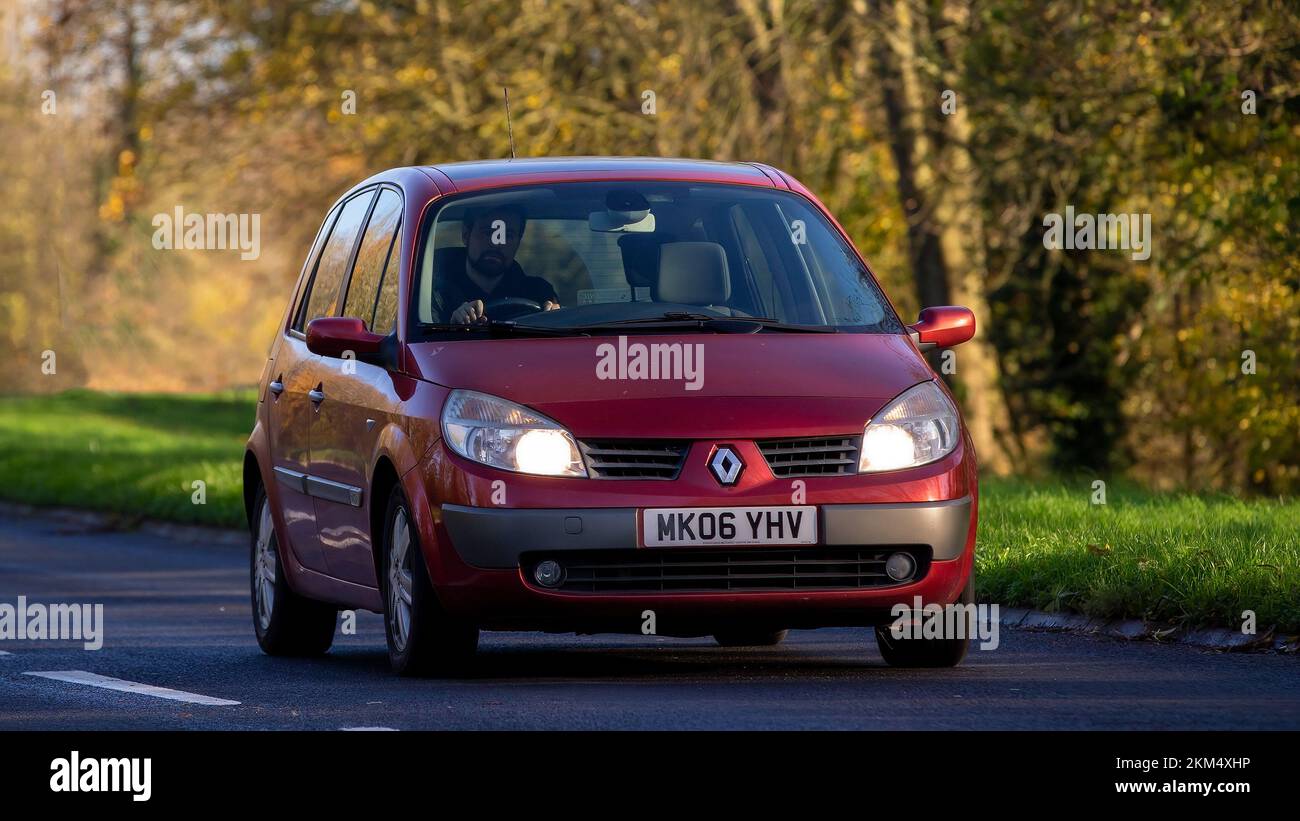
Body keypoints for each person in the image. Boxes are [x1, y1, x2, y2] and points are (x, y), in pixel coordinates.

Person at [436, 205, 559, 324]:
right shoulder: (433, 294)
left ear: (518, 242)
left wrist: (554, 317)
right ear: (466, 235)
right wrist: (453, 325)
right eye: (488, 232)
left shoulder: (539, 293)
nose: (496, 244)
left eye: (507, 235)